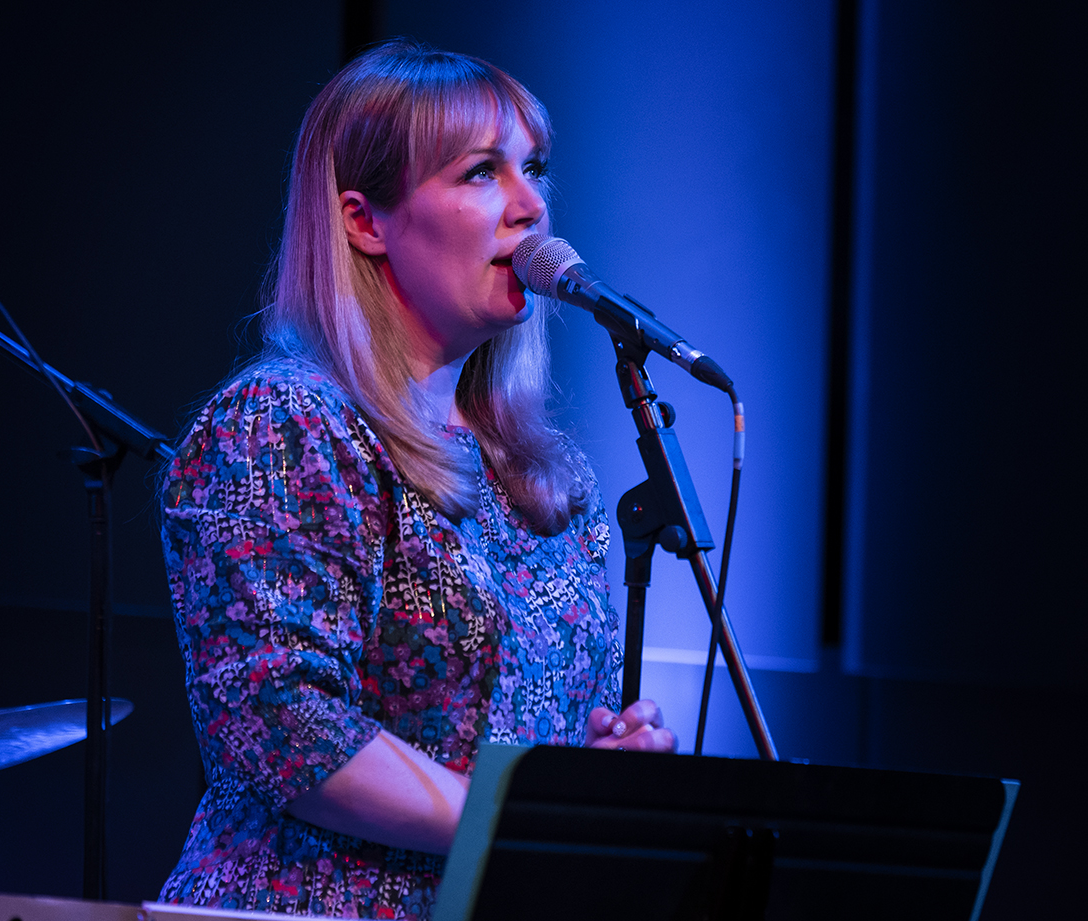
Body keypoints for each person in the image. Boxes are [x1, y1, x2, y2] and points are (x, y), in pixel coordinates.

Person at [157, 39, 677, 919]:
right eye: (481, 173)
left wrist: (597, 772)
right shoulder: (285, 423)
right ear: (365, 221)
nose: (531, 207)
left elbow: (540, 730)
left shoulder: (547, 474)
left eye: (535, 169)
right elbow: (282, 724)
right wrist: (530, 813)